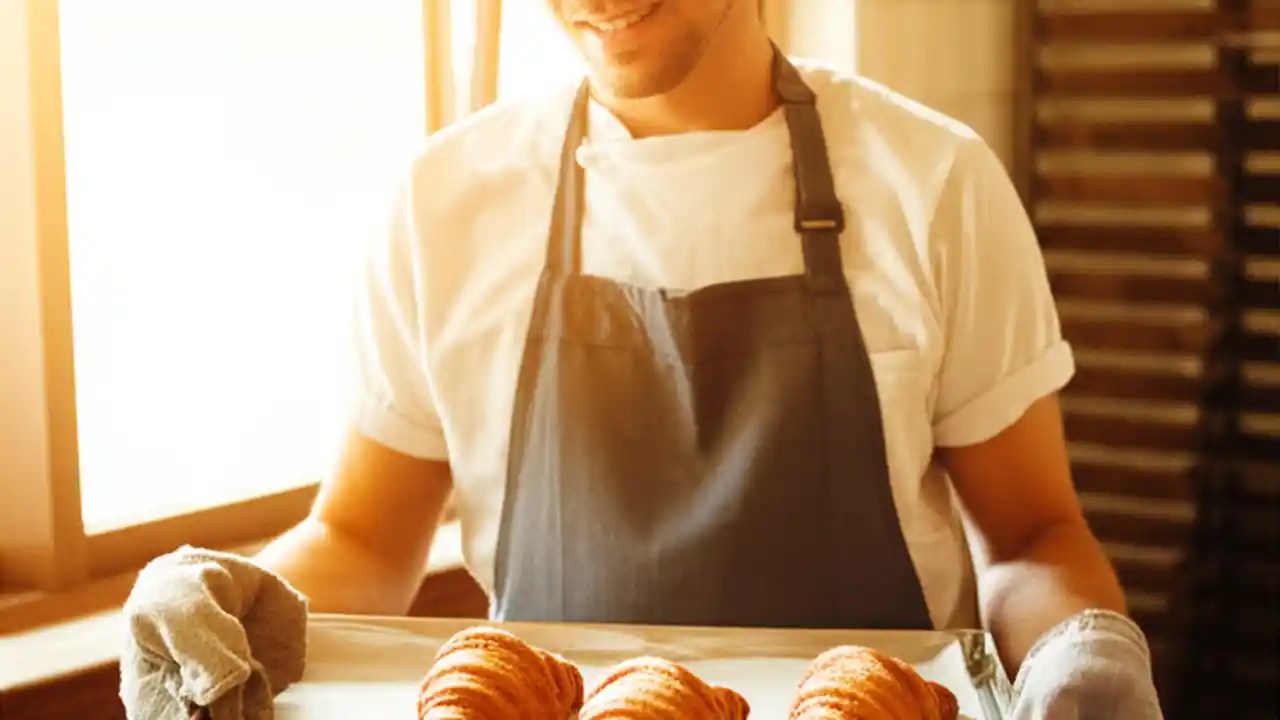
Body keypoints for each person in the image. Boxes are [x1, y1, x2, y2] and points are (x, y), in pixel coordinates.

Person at [130, 1, 1163, 717]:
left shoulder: (931, 183)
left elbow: (1028, 533)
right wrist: (236, 598)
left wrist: (1081, 649)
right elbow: (362, 535)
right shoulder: (443, 200)